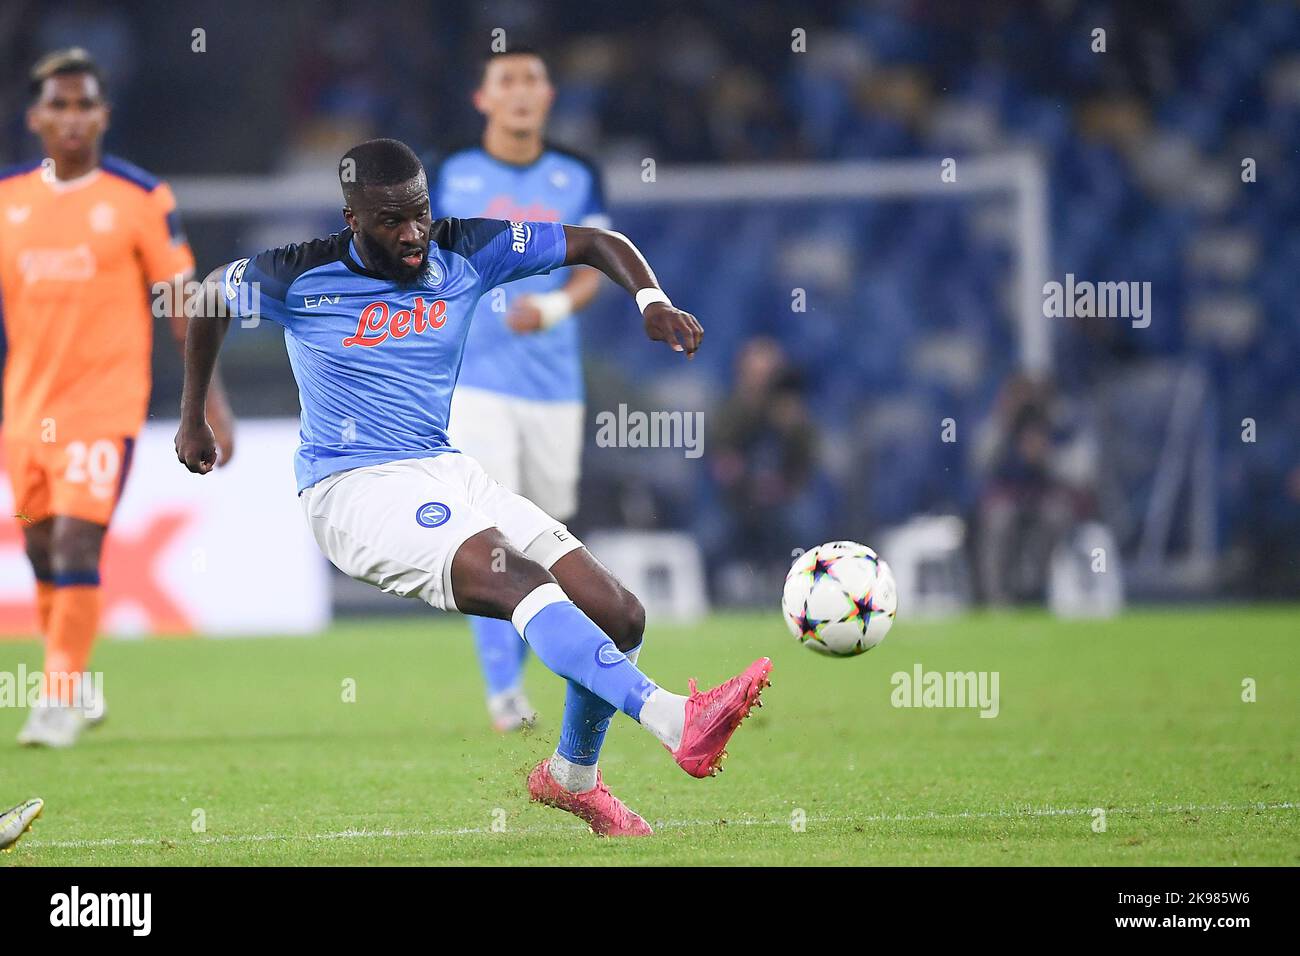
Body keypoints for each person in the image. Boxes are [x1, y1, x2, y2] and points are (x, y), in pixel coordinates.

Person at [174, 138, 770, 837]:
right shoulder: (299, 273)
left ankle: (572, 777)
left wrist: (650, 300)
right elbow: (205, 295)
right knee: (517, 578)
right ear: (352, 219)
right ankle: (676, 718)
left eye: (421, 214)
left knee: (620, 613)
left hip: (444, 468)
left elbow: (596, 241)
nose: (413, 233)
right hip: (352, 486)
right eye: (393, 220)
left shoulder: (464, 249)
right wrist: (197, 416)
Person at [0, 49, 235, 748]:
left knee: (77, 538)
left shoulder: (139, 198)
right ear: (36, 116)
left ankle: (58, 700)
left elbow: (182, 304)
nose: (73, 117)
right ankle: (72, 675)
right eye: (60, 105)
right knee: (43, 549)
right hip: (25, 412)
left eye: (85, 105)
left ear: (103, 115)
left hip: (105, 406)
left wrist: (207, 405)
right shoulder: (8, 199)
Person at [429, 47, 608, 733]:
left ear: (549, 94)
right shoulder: (451, 173)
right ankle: (503, 689)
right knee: (494, 534)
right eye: (507, 80)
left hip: (555, 383)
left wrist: (556, 309)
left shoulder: (576, 174)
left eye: (533, 78)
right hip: (474, 381)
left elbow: (595, 260)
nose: (521, 91)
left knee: (546, 539)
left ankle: (530, 671)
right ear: (483, 99)